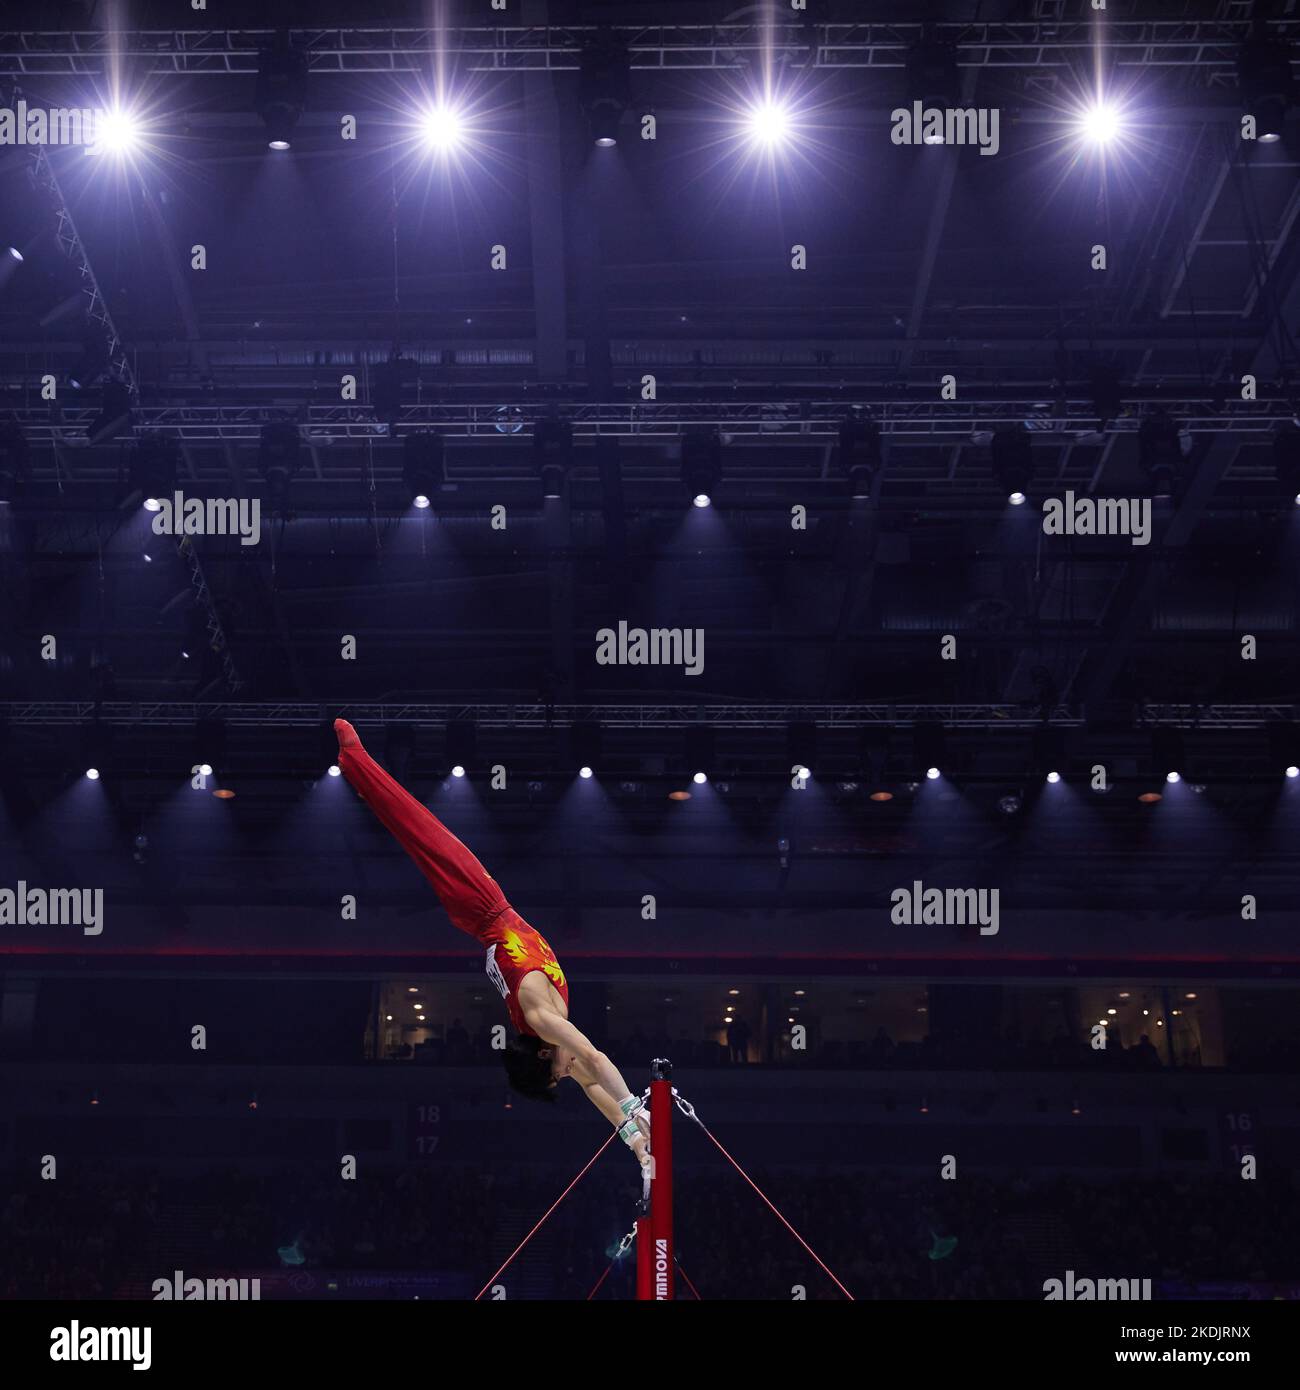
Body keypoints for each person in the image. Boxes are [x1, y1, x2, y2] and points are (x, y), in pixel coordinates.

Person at [333, 719, 650, 1167]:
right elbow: (597, 1085)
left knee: (418, 826)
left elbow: (596, 1061)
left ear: (544, 1055)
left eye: (556, 1076)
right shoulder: (547, 1036)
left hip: (481, 906)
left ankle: (356, 762)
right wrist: (636, 1139)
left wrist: (637, 1106)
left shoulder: (541, 1021)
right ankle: (362, 777)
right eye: (562, 1078)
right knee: (412, 830)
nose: (565, 1074)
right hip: (484, 908)